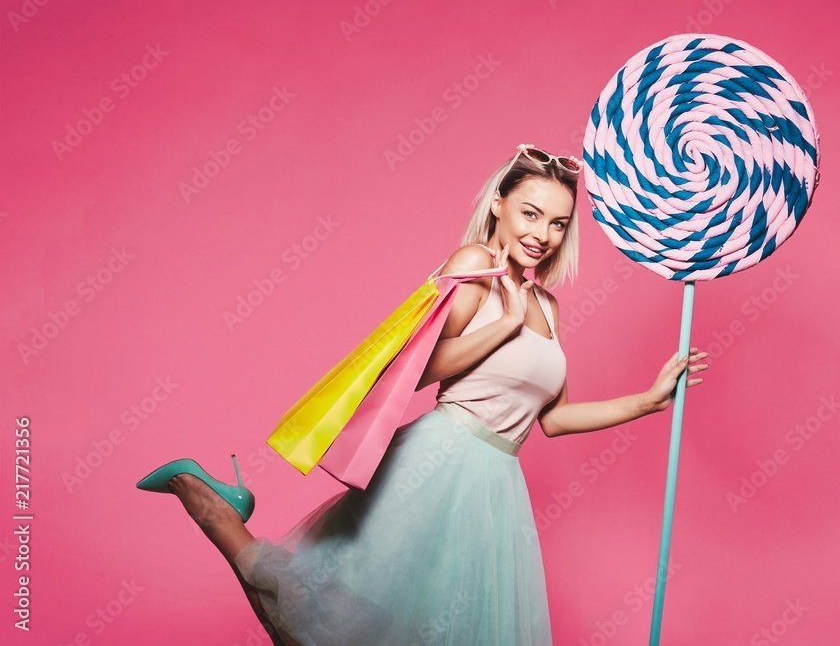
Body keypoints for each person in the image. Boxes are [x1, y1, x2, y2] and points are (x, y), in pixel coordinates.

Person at [136, 143, 710, 645]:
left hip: (496, 486)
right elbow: (423, 369)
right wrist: (504, 324)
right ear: (498, 206)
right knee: (339, 621)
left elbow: (553, 420)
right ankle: (203, 497)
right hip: (440, 464)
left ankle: (219, 501)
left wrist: (648, 399)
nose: (541, 234)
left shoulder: (548, 306)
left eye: (558, 223)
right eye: (530, 214)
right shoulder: (475, 267)